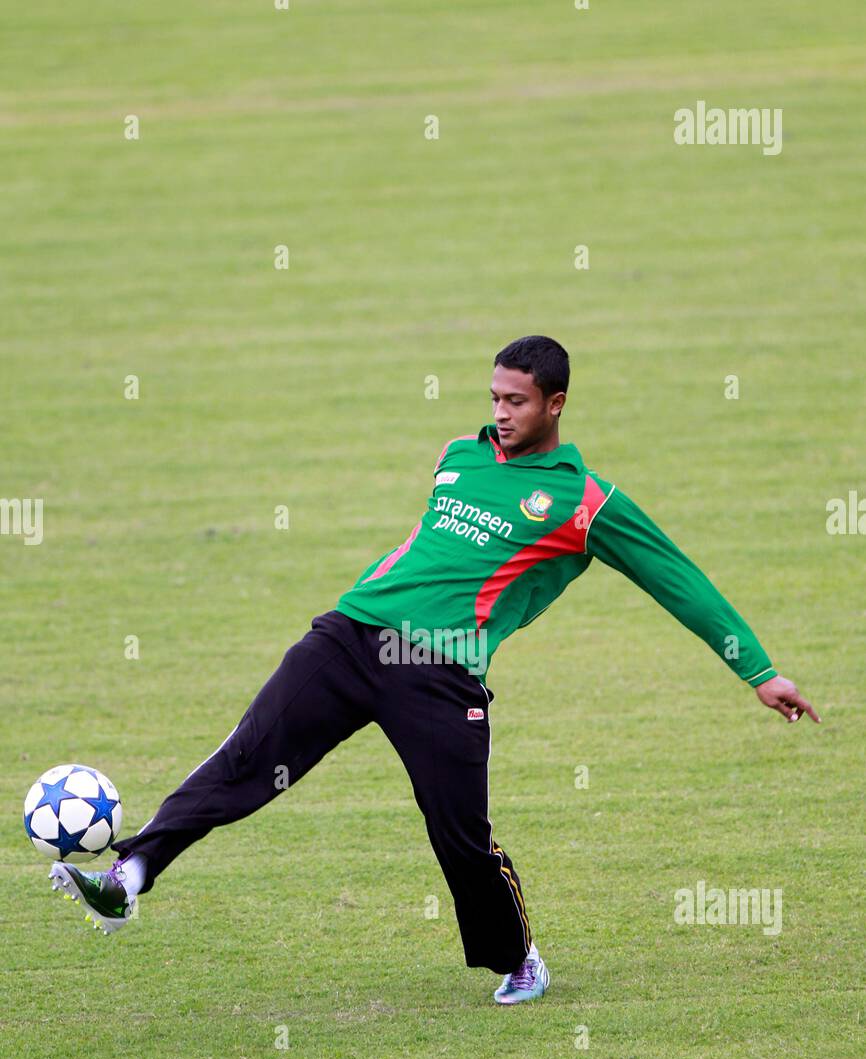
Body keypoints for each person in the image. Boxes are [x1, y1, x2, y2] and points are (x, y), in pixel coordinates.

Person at [49, 335, 819, 1004]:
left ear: (556, 404)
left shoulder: (586, 502)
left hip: (441, 675)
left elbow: (677, 579)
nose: (502, 411)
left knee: (459, 838)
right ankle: (130, 875)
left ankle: (519, 959)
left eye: (518, 400)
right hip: (353, 633)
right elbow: (428, 550)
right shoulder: (459, 454)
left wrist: (757, 672)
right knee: (249, 753)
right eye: (494, 396)